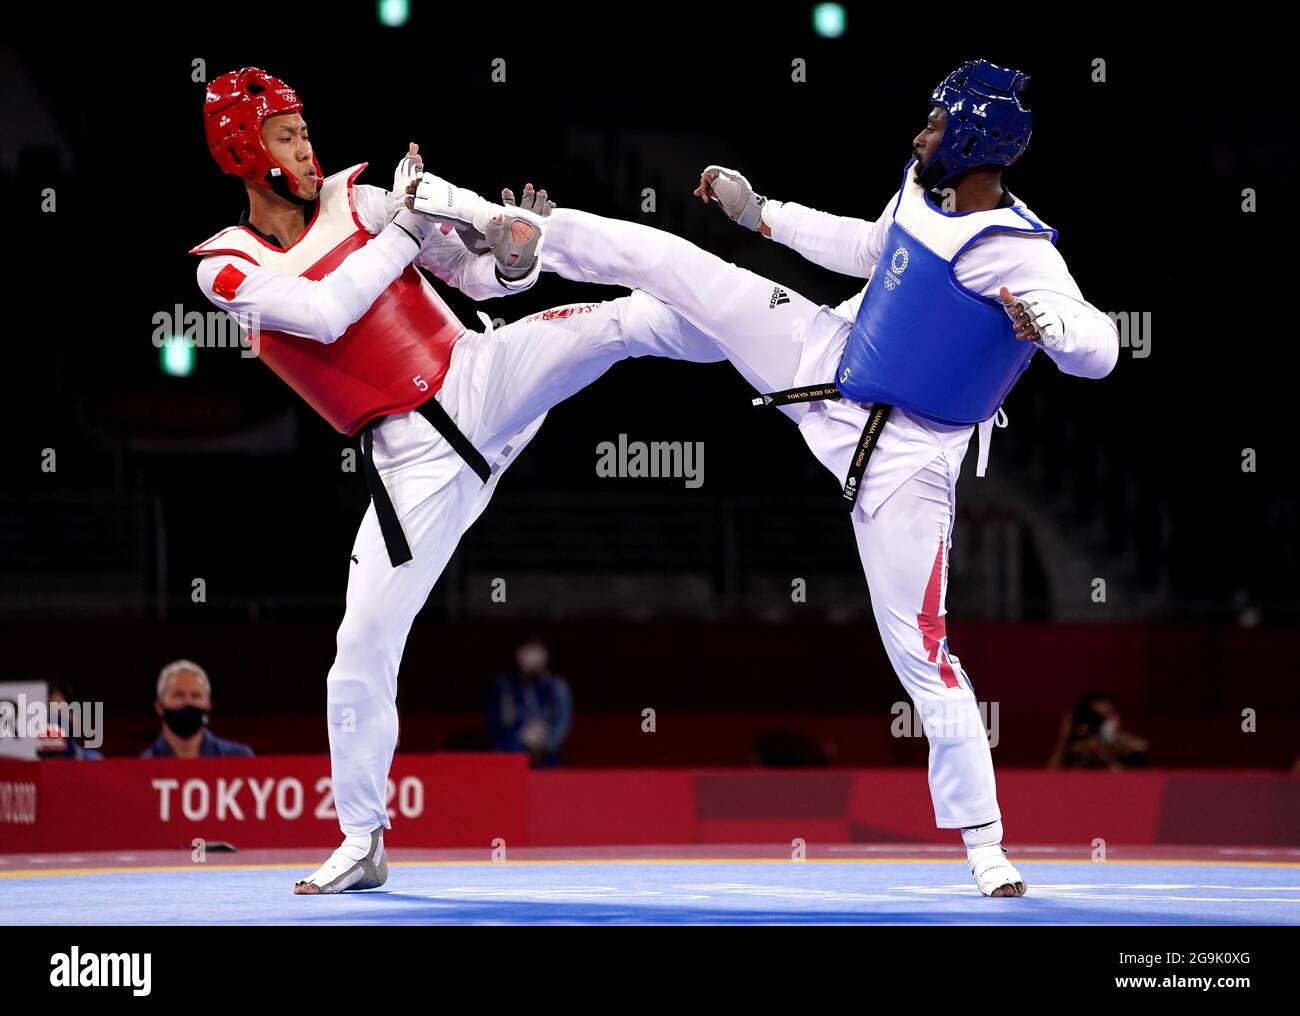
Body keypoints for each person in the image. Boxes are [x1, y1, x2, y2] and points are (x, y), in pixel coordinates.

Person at [414, 60, 1119, 897]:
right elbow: (866, 244)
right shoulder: (921, 194)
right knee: (678, 268)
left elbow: (1100, 347)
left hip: (905, 462)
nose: (917, 134)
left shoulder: (1017, 251)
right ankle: (511, 228)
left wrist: (1056, 328)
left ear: (970, 139)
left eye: (932, 125)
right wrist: (763, 215)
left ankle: (985, 844)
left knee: (922, 653)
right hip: (826, 362)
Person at [191, 69, 724, 894]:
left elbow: (476, 278)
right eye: (287, 136)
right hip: (411, 470)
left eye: (304, 131)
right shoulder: (223, 266)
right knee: (358, 653)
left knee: (624, 320)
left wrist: (507, 254)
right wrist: (406, 228)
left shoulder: (362, 201)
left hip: (480, 373)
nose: (307, 147)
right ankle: (362, 839)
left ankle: (795, 339)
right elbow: (325, 312)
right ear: (241, 150)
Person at [141, 660, 253, 758]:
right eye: (178, 695)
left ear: (209, 706)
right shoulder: (143, 765)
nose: (188, 702)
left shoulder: (239, 758)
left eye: (196, 695)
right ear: (159, 706)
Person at [487, 638, 573, 767]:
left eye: (536, 650)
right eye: (526, 650)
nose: (531, 656)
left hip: (546, 754)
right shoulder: (502, 685)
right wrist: (519, 742)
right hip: (511, 752)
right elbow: (495, 723)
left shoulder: (557, 686)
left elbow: (562, 720)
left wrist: (545, 745)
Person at [1047, 692, 1149, 770]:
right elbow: (1049, 781)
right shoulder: (1075, 749)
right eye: (1097, 718)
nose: (1102, 723)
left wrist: (1103, 755)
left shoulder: (1132, 748)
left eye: (1107, 716)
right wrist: (1064, 740)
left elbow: (1136, 784)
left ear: (1117, 718)